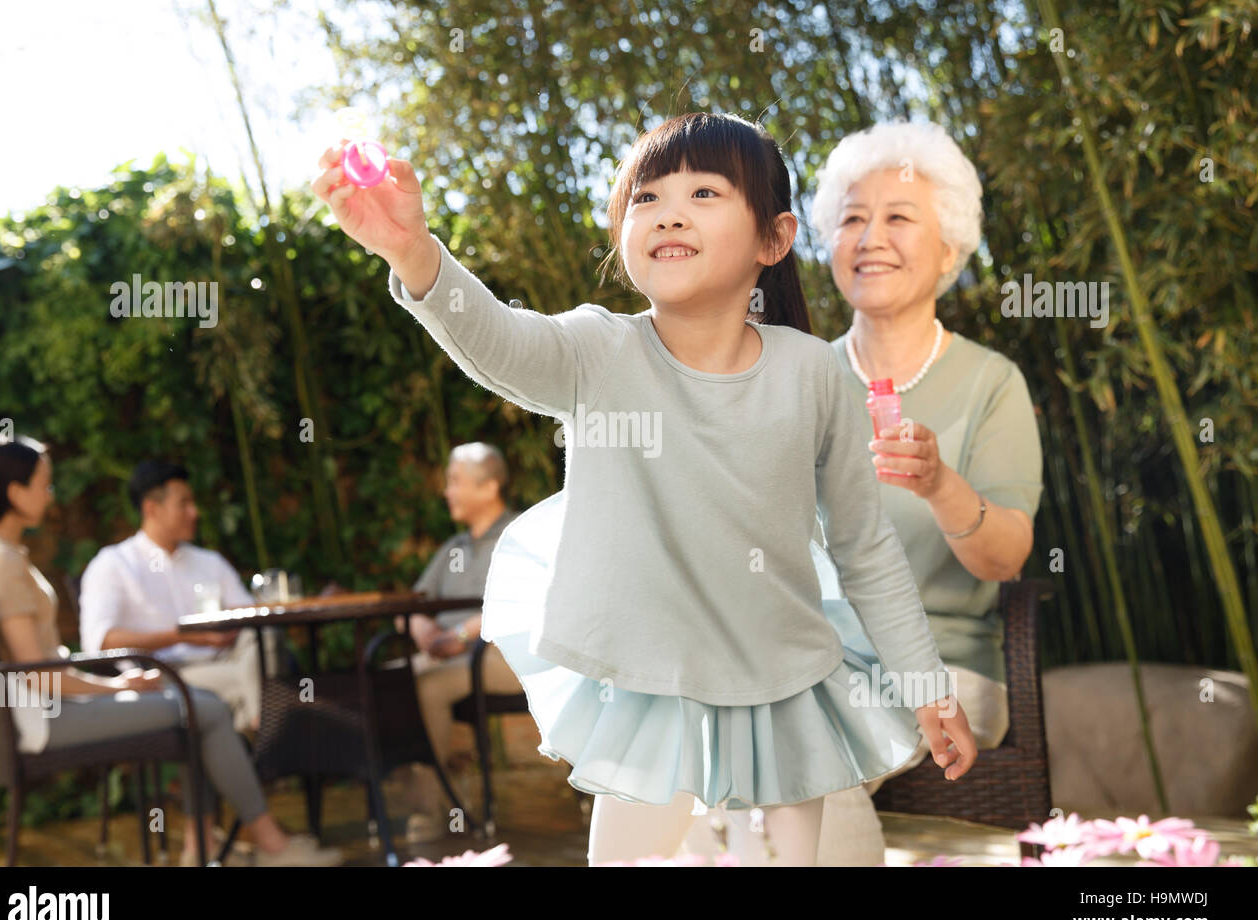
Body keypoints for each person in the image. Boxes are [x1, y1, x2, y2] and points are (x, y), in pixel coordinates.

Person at [313, 110, 976, 867]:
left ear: (774, 238)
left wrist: (926, 682)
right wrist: (413, 250)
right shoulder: (600, 350)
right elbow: (497, 339)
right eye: (646, 197)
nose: (668, 212)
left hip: (786, 671)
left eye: (704, 194)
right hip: (649, 678)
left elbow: (863, 544)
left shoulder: (812, 372)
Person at [796, 121, 1044, 865]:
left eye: (898, 217)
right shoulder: (790, 377)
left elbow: (1005, 559)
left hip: (942, 668)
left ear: (950, 251)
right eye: (851, 219)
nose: (870, 237)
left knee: (804, 760)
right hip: (800, 664)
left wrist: (939, 484)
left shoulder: (990, 383)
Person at [0, 435, 341, 866]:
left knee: (198, 709)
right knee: (205, 710)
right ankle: (271, 845)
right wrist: (120, 686)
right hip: (48, 717)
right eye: (44, 486)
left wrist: (113, 684)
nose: (52, 496)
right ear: (15, 492)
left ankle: (205, 846)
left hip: (43, 711)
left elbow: (37, 665)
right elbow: (38, 672)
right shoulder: (0, 562)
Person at [78, 461, 261, 735]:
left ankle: (256, 726)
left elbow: (251, 614)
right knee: (266, 684)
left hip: (231, 659)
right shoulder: (114, 564)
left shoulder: (209, 561)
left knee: (263, 637)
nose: (194, 512)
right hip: (165, 674)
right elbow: (100, 642)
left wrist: (225, 631)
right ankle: (261, 725)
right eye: (183, 504)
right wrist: (184, 636)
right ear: (151, 508)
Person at [397, 442, 522, 840]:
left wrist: (458, 635)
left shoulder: (521, 536)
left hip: (505, 654)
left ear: (489, 487)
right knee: (385, 683)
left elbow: (521, 603)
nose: (446, 492)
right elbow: (413, 606)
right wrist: (425, 632)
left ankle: (430, 810)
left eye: (455, 482)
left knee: (427, 687)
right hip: (448, 656)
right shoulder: (453, 548)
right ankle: (440, 799)